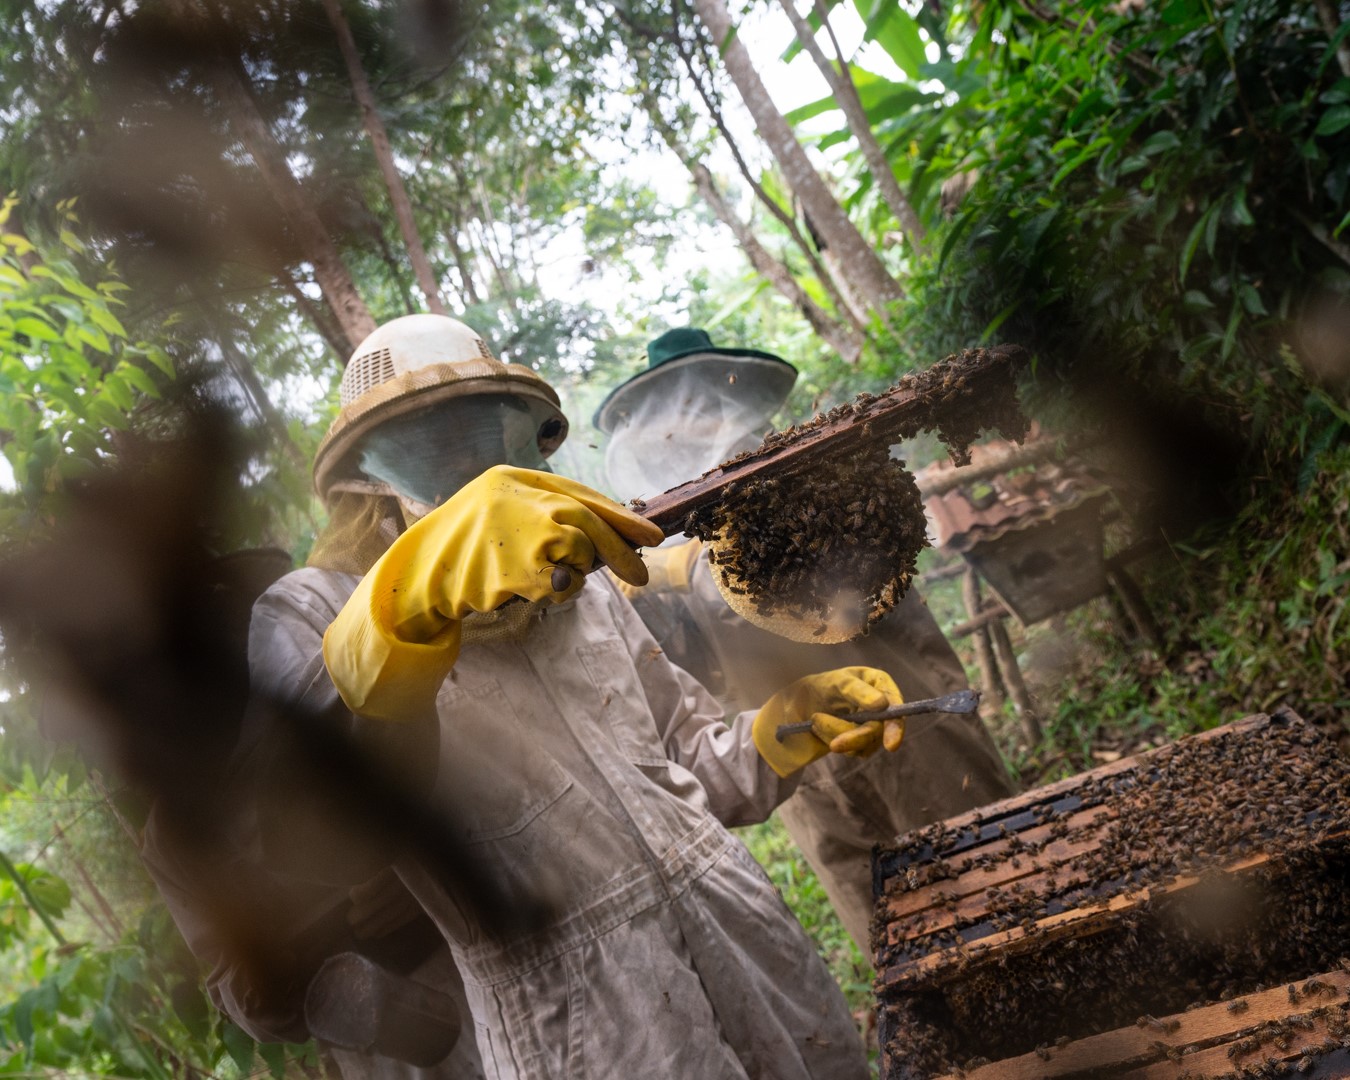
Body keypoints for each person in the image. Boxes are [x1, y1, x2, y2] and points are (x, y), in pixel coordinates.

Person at [248, 313, 912, 1078]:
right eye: (428, 433)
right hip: (584, 1023)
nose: (465, 452)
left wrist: (780, 729)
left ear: (526, 431)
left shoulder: (574, 584)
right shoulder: (317, 611)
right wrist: (399, 617)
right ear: (366, 469)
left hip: (744, 942)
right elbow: (316, 837)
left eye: (481, 422)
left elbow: (681, 764)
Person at [595, 327, 1015, 953]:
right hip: (799, 762)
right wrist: (638, 602)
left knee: (999, 877)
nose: (685, 422)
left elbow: (821, 589)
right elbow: (682, 678)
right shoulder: (668, 532)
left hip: (908, 718)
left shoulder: (815, 478)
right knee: (899, 933)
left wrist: (691, 568)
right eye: (668, 412)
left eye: (700, 402)